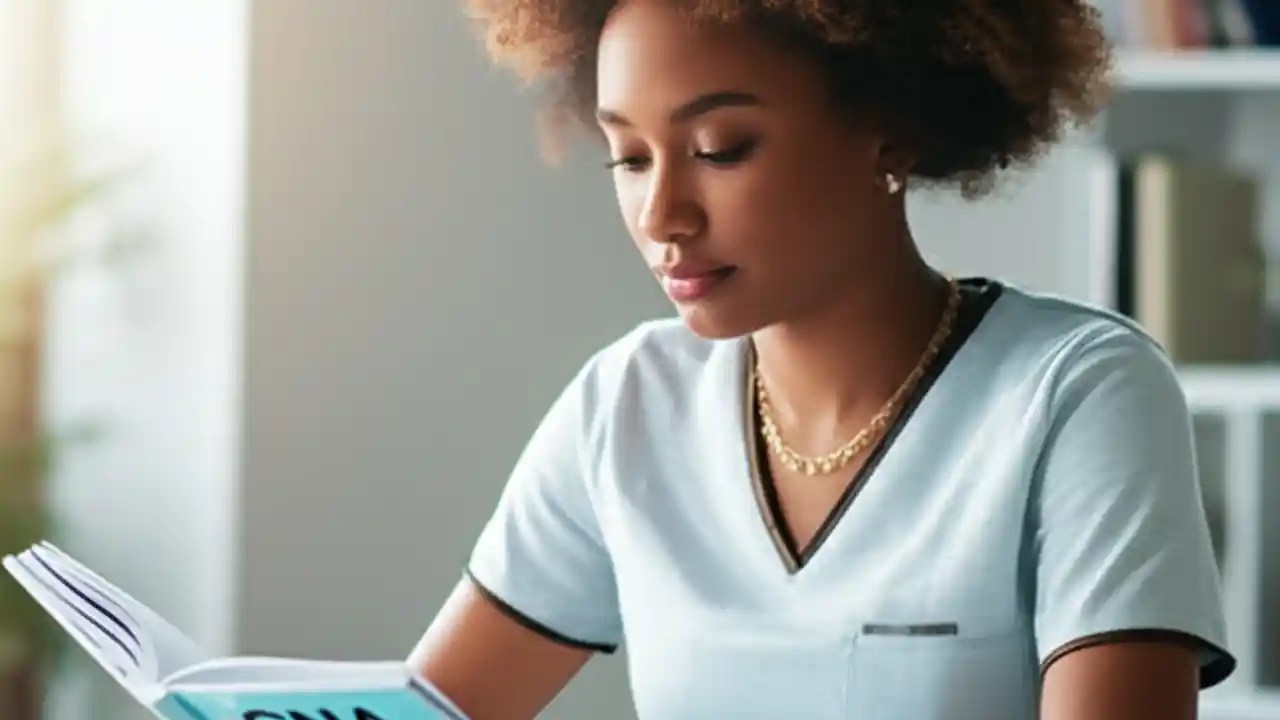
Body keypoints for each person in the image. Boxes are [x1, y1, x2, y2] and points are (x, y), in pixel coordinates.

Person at [409, 1, 1236, 717]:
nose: (662, 214)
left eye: (721, 147)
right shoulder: (626, 405)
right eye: (628, 157)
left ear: (890, 132)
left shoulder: (1077, 392)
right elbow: (426, 708)